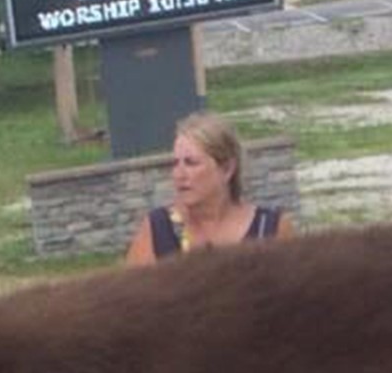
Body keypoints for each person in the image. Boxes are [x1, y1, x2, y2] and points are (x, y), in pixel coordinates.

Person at [125, 112, 294, 266]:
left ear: (227, 169)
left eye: (191, 163)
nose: (179, 174)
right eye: (175, 163)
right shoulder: (157, 230)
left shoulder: (269, 229)